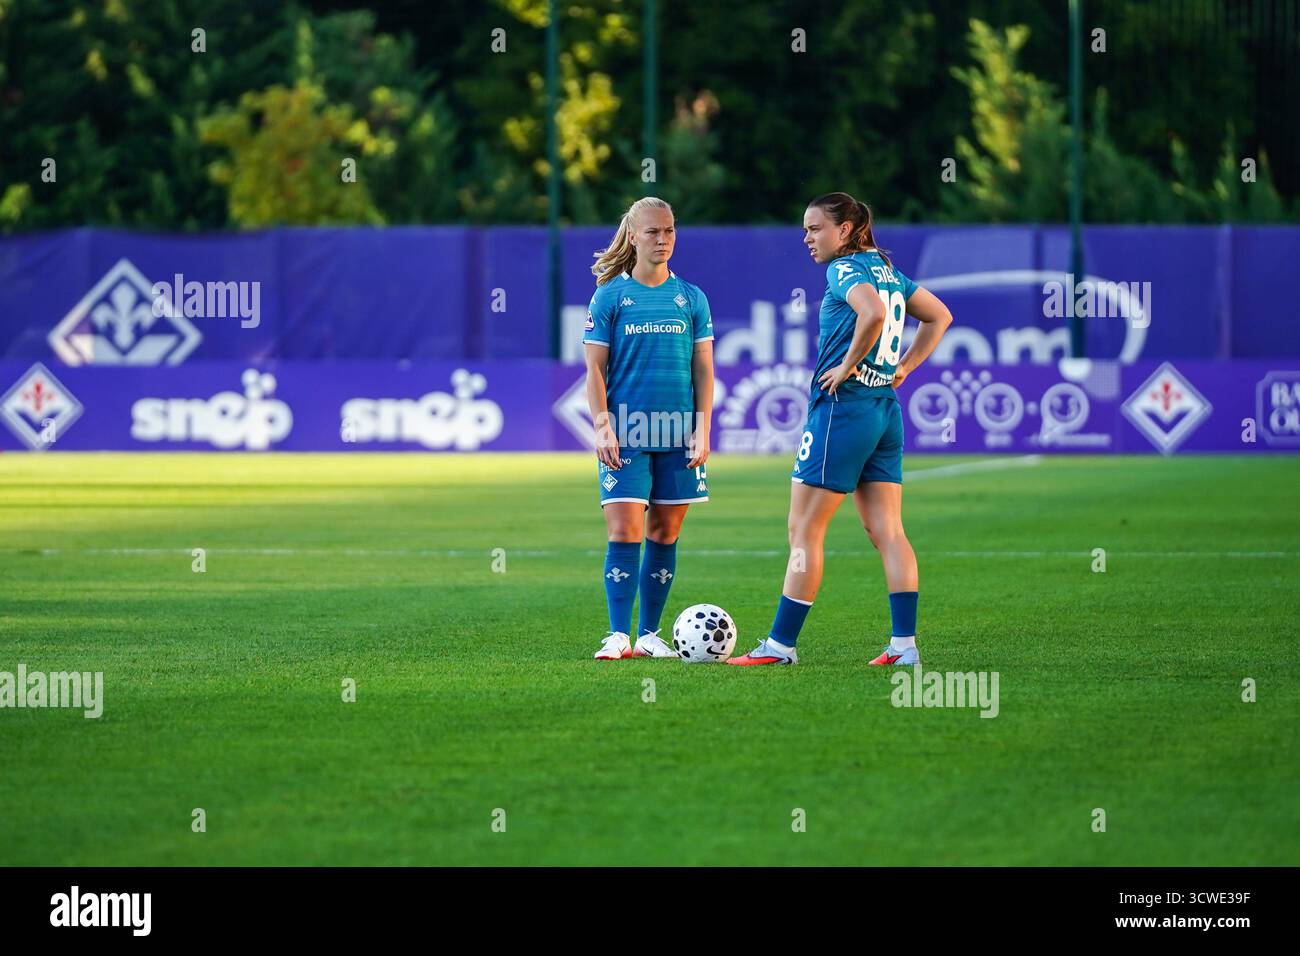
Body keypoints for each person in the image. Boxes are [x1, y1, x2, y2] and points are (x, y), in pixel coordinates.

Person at [729, 192, 952, 666]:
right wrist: (904, 368)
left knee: (804, 529)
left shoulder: (845, 268)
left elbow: (871, 314)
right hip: (883, 408)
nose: (807, 238)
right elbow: (939, 315)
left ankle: (780, 646)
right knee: (888, 531)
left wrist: (847, 366)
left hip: (843, 410)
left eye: (815, 228)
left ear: (845, 231)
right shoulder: (888, 271)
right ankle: (904, 647)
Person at [584, 197, 715, 660]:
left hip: (679, 435)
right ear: (633, 236)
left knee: (664, 534)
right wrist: (603, 426)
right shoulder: (610, 297)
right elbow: (595, 371)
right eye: (653, 232)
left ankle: (650, 635)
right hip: (627, 431)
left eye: (670, 231)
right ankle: (618, 634)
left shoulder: (692, 298)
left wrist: (703, 427)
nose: (663, 239)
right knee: (624, 532)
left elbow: (703, 370)